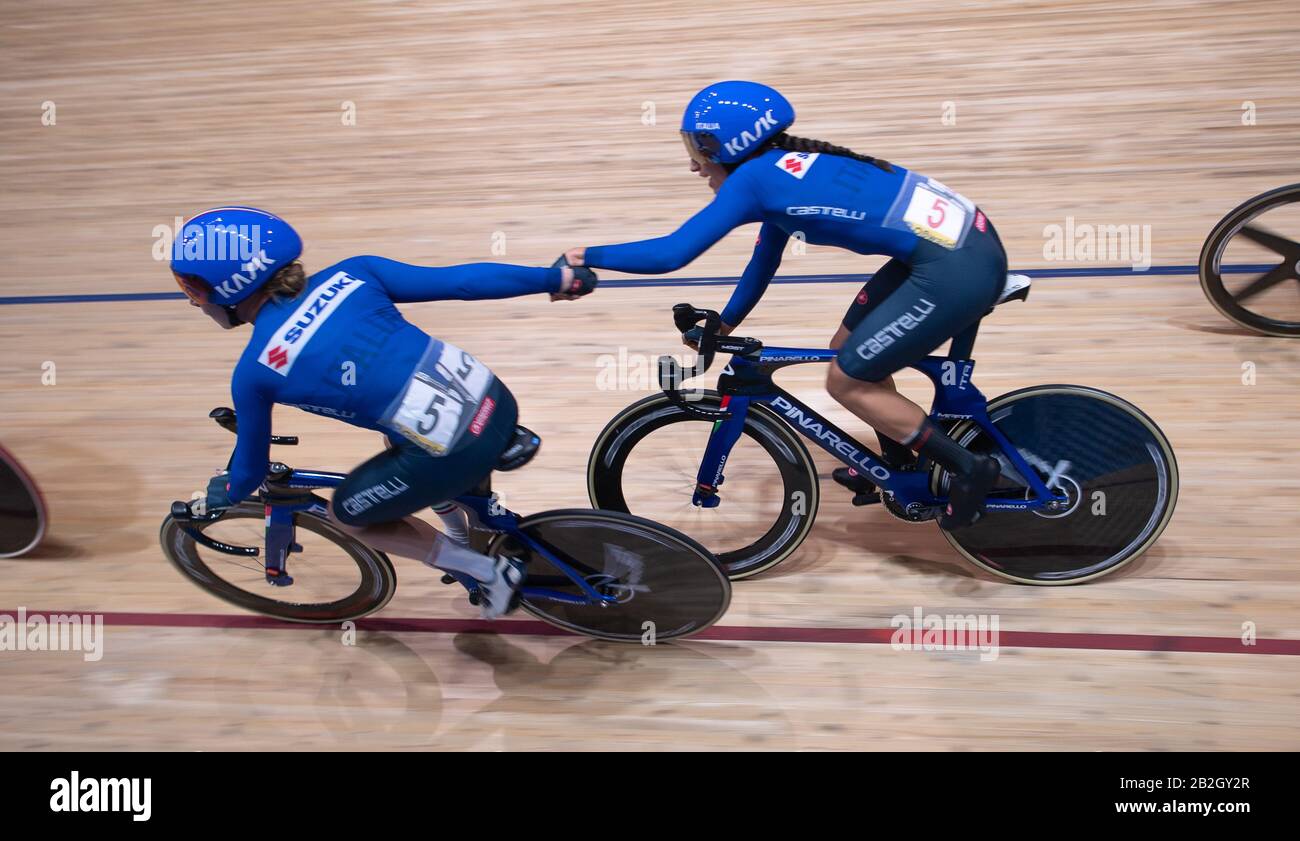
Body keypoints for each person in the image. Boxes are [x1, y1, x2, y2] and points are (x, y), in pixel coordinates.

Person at [559, 81, 1006, 528]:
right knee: (846, 345)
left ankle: (969, 467)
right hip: (957, 250)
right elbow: (764, 259)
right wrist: (727, 321)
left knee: (846, 380)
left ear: (726, 144)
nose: (694, 165)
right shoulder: (780, 169)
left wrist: (586, 258)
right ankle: (897, 463)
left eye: (698, 147)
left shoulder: (754, 181)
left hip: (953, 268)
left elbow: (670, 254)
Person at [172, 205, 597, 616]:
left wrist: (219, 497)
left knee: (348, 515)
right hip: (495, 398)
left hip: (454, 448)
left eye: (193, 289)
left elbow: (248, 475)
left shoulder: (254, 372)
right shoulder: (355, 272)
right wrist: (555, 278)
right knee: (397, 434)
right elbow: (464, 282)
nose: (194, 302)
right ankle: (460, 529)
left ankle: (490, 572)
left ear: (227, 288)